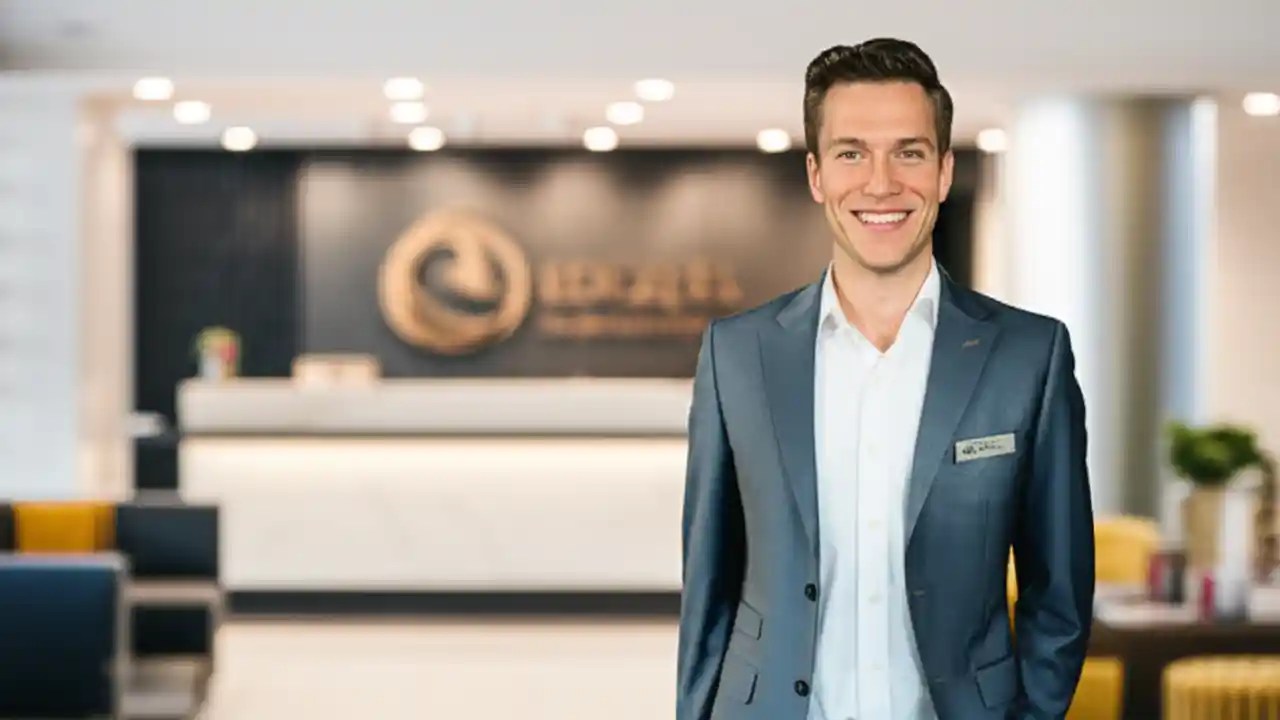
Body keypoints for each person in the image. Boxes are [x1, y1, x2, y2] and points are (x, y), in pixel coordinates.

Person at [676, 38, 1094, 720]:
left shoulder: (1029, 356)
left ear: (944, 171)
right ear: (816, 175)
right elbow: (708, 585)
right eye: (851, 153)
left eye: (909, 151)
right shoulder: (737, 355)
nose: (879, 183)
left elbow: (1061, 594)